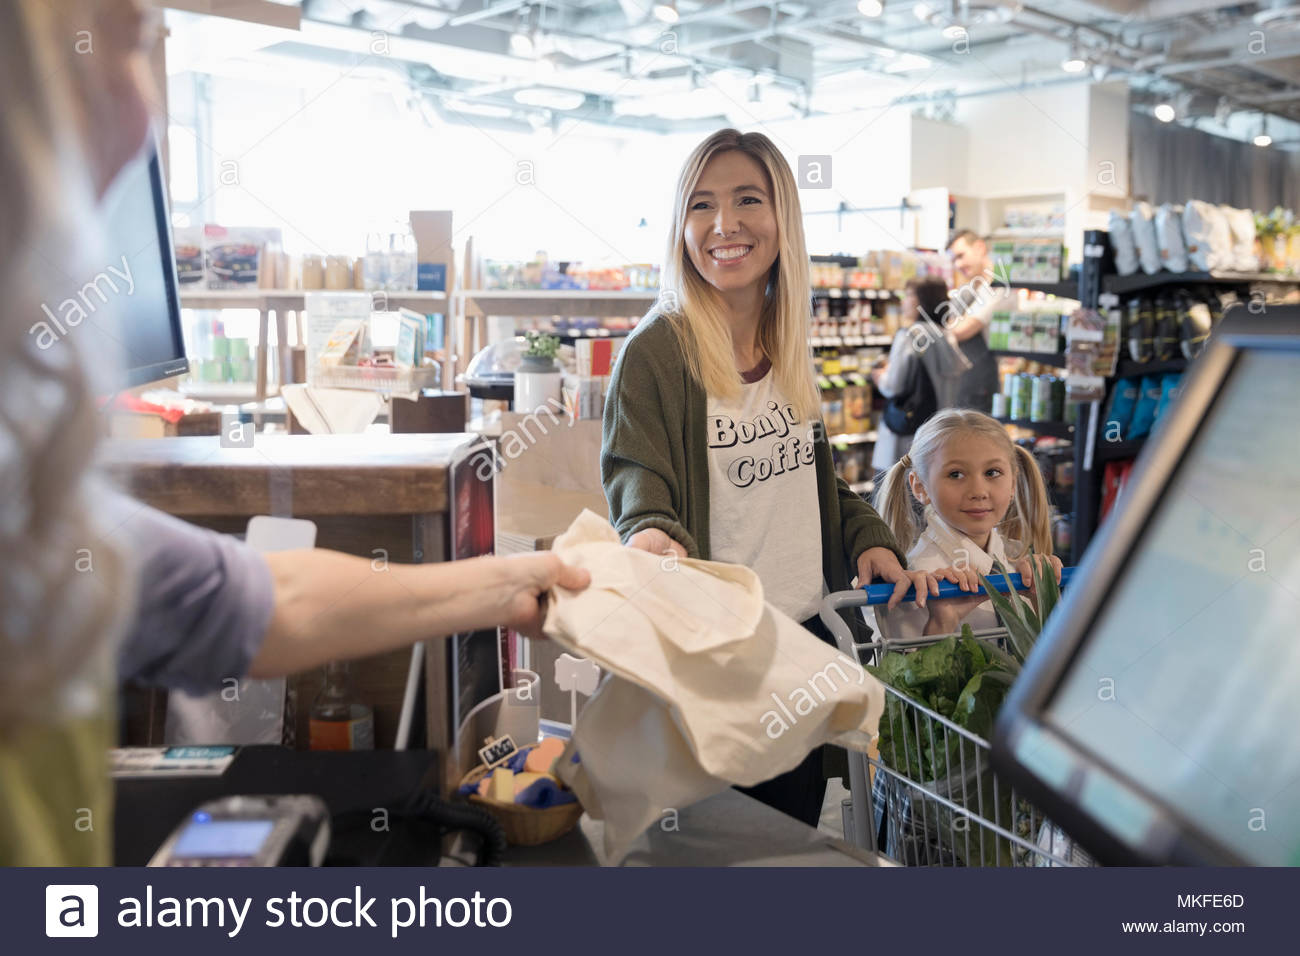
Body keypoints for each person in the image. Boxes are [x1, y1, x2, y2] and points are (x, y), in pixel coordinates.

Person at [0, 0, 589, 866]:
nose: (145, 104)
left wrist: (512, 585)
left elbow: (257, 603)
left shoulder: (39, 500)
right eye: (121, 41)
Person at [601, 128, 938, 826]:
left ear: (783, 216)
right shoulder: (656, 353)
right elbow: (639, 478)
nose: (723, 224)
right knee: (709, 862)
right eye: (701, 205)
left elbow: (812, 484)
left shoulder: (787, 342)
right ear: (680, 225)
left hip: (803, 646)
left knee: (786, 846)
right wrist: (650, 533)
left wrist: (866, 536)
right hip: (718, 662)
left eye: (747, 199)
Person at [871, 408, 1062, 642]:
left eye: (992, 472)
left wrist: (1044, 602)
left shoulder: (1017, 562)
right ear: (920, 487)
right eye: (956, 475)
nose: (978, 492)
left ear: (1013, 482)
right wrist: (941, 623)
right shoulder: (915, 582)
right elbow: (908, 676)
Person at [870, 276, 968, 476]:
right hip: (939, 434)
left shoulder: (910, 335)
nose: (904, 301)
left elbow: (893, 385)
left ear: (922, 300)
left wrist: (879, 376)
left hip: (904, 437)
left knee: (895, 499)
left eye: (908, 295)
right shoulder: (947, 335)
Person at [943, 230, 1003, 413]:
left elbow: (960, 330)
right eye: (953, 260)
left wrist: (945, 330)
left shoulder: (999, 285)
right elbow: (948, 325)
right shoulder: (969, 288)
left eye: (961, 256)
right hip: (963, 382)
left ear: (979, 247)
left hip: (982, 382)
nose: (958, 264)